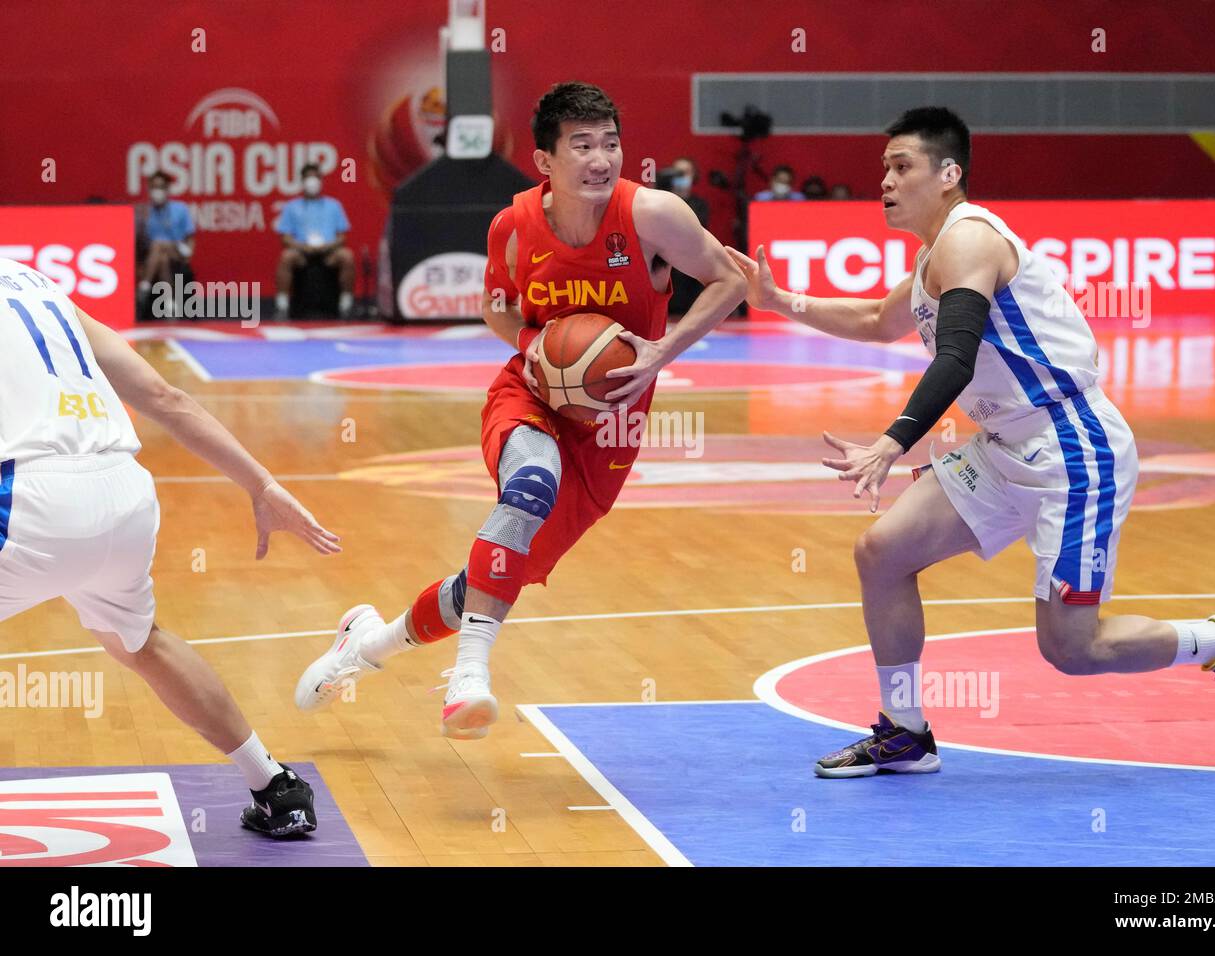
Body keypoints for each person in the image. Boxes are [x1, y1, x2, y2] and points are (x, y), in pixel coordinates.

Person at [725, 106, 1215, 778]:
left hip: (1073, 450)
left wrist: (893, 441)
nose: (886, 182)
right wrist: (785, 304)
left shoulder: (971, 241)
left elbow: (954, 357)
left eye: (902, 167)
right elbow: (876, 318)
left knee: (1072, 650)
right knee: (882, 552)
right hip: (1008, 446)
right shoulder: (937, 252)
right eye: (884, 168)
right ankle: (905, 732)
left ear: (948, 173)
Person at [295, 82, 745, 739]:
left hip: (612, 421)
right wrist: (534, 343)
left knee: (491, 578)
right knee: (530, 487)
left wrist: (662, 351)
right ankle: (470, 675)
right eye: (582, 146)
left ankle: (365, 644)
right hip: (529, 392)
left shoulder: (653, 215)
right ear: (545, 162)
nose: (601, 159)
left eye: (611, 144)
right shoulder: (513, 224)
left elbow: (731, 279)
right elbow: (496, 307)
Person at [0, 257, 341, 834]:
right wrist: (261, 483)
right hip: (124, 493)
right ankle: (274, 786)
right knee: (141, 643)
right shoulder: (35, 283)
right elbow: (164, 396)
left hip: (28, 499)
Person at [274, 163, 355, 318]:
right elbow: (285, 238)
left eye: (316, 177)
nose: (312, 181)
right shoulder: (291, 207)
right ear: (303, 181)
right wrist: (303, 247)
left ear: (321, 180)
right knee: (286, 257)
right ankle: (281, 306)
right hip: (302, 253)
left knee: (347, 256)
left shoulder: (334, 205)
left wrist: (327, 246)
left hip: (328, 252)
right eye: (308, 177)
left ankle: (347, 304)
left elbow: (342, 237)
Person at [139, 172, 195, 315]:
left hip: (177, 250)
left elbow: (190, 236)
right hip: (153, 255)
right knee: (161, 256)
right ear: (150, 189)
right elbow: (142, 240)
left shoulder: (180, 209)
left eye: (162, 187)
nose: (158, 191)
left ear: (167, 188)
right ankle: (169, 300)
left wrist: (188, 255)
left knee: (160, 245)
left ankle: (144, 286)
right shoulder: (145, 211)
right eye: (155, 187)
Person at [665, 157, 710, 317]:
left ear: (693, 176)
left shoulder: (700, 205)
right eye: (677, 172)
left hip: (690, 269)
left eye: (685, 173)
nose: (681, 176)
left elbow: (695, 232)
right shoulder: (659, 201)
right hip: (665, 267)